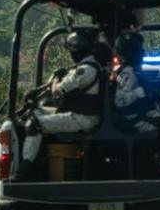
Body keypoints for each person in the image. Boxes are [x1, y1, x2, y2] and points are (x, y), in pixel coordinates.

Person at [15, 30, 103, 180]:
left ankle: (25, 169)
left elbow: (57, 91)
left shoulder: (86, 69)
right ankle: (38, 164)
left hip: (82, 119)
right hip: (79, 115)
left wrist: (56, 78)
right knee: (35, 113)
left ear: (76, 50)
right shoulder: (87, 66)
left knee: (35, 124)